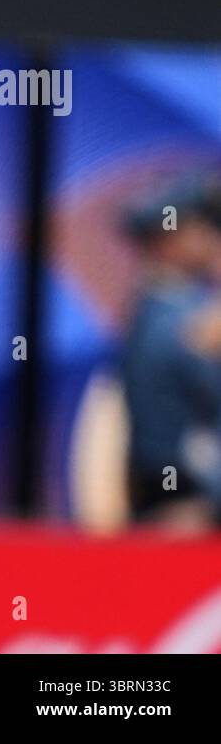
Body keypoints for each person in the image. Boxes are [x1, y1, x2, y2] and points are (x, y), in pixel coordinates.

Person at [120, 175, 221, 533]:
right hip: (183, 504)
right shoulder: (170, 319)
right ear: (169, 239)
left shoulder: (187, 308)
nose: (213, 239)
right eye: (205, 227)